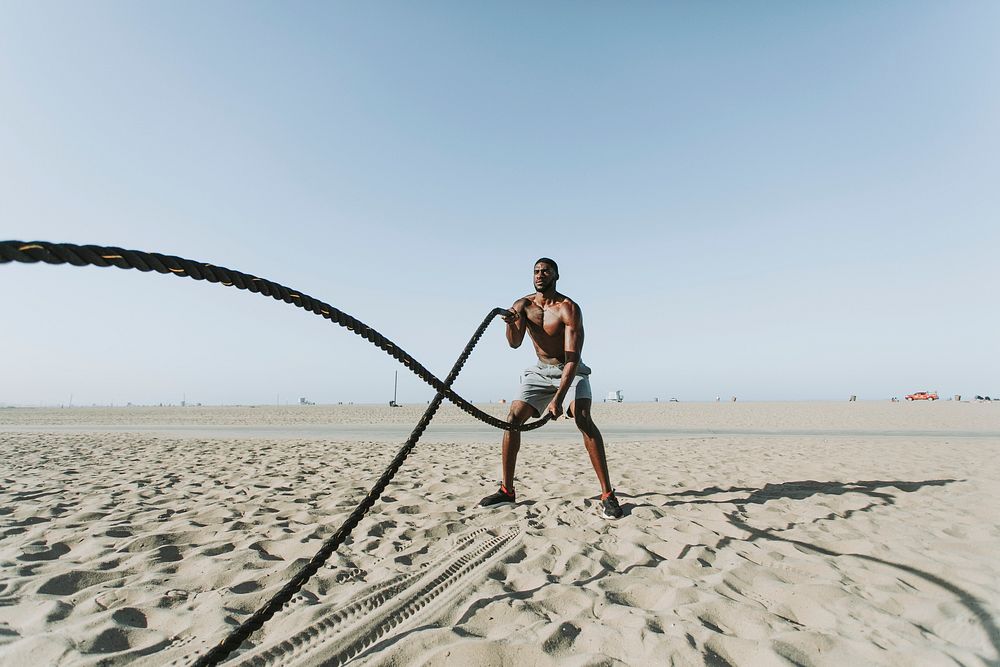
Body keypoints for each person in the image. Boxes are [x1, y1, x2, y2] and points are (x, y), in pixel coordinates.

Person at [479, 258, 623, 519]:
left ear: (556, 275)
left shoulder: (568, 308)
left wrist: (558, 398)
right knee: (512, 419)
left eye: (545, 271)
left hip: (569, 369)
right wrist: (513, 323)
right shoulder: (523, 304)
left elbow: (572, 358)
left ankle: (607, 495)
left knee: (582, 418)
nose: (539, 275)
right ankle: (507, 490)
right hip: (539, 371)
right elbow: (514, 343)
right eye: (536, 271)